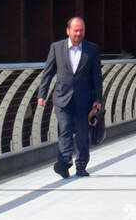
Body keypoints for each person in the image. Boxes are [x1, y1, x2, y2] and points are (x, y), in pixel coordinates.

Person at [38, 16, 103, 179]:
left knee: (82, 133)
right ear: (68, 31)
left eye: (81, 30)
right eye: (76, 30)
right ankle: (65, 163)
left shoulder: (92, 49)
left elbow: (96, 76)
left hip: (84, 99)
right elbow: (48, 73)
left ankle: (81, 165)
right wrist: (42, 94)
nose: (78, 33)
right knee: (65, 129)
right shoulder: (56, 47)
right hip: (62, 97)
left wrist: (98, 99)